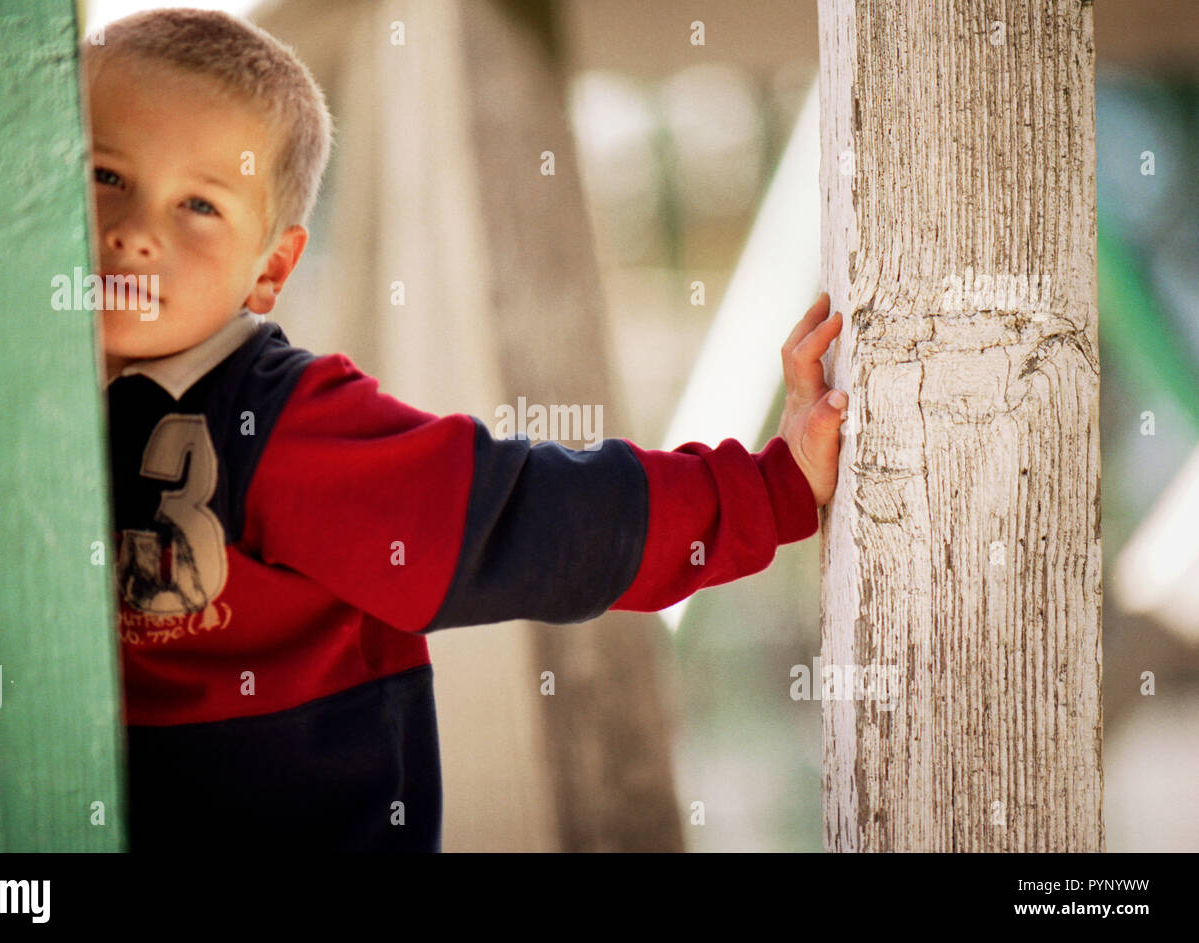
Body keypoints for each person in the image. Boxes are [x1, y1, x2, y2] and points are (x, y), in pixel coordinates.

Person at [89, 8, 847, 852]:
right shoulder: (27, 405)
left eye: (198, 203)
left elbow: (533, 517)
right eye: (106, 176)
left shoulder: (287, 427)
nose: (135, 235)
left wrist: (772, 485)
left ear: (269, 269)